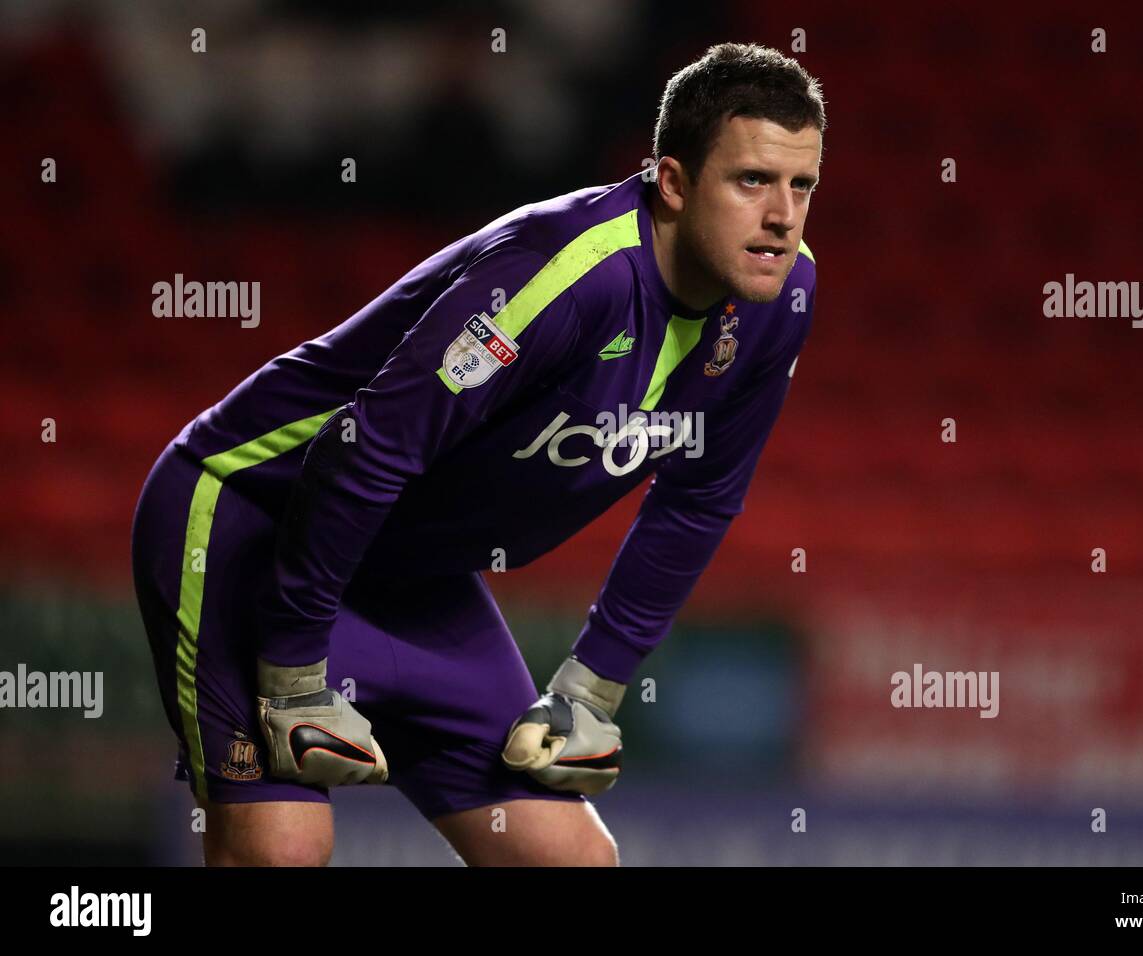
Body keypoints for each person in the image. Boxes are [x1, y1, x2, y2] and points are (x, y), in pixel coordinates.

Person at [131, 41, 825, 866]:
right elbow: (367, 452)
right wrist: (291, 666)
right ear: (673, 182)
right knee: (282, 851)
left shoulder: (783, 300)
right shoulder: (566, 277)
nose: (782, 214)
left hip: (410, 573)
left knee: (570, 862)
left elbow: (697, 499)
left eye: (802, 185)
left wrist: (592, 685)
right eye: (752, 181)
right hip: (252, 519)